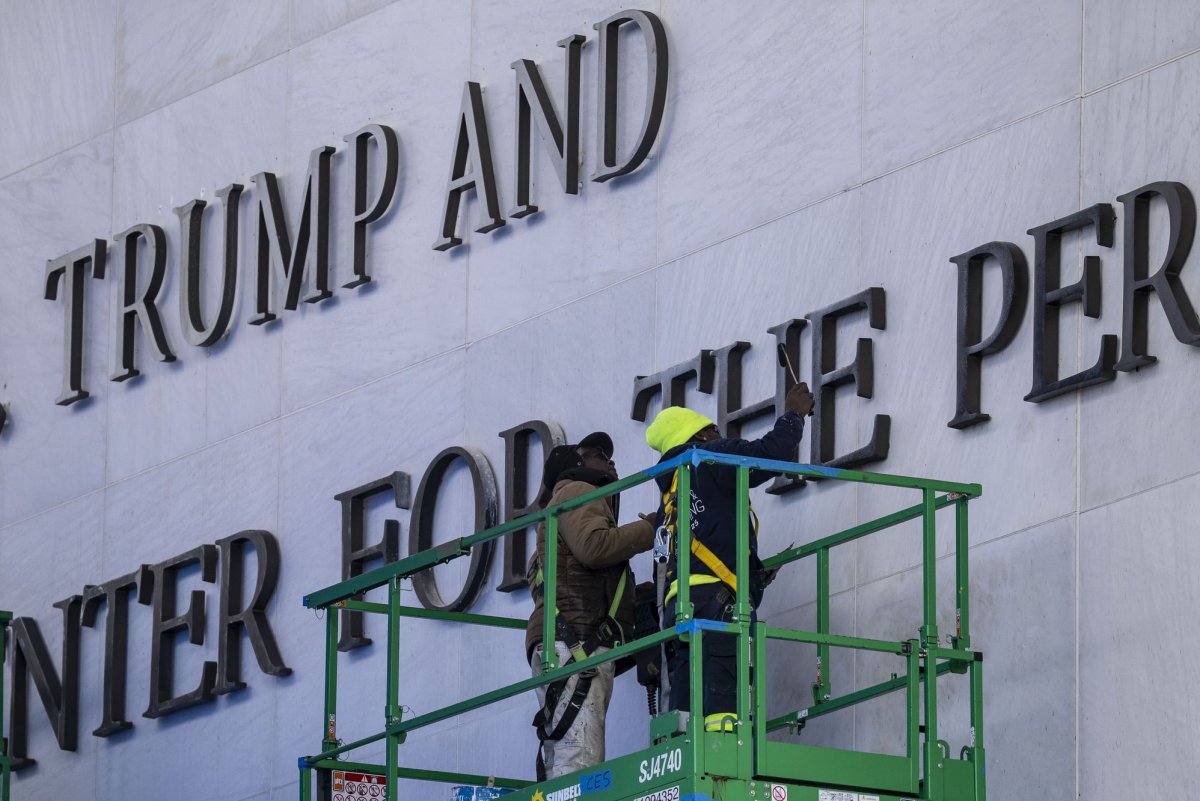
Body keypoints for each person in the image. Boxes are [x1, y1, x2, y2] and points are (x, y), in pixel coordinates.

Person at [645, 382, 814, 732]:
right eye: (715, 431)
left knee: (688, 711)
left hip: (679, 610)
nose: (720, 436)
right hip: (720, 606)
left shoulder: (670, 498)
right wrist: (794, 414)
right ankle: (725, 773)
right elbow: (772, 452)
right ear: (700, 434)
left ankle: (686, 765)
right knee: (725, 713)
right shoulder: (710, 457)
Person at [526, 431, 656, 779]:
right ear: (578, 464)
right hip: (577, 642)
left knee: (564, 749)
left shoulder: (555, 516)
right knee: (578, 757)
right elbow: (594, 547)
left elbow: (565, 572)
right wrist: (650, 528)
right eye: (599, 453)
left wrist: (630, 594)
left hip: (562, 641)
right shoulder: (577, 490)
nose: (610, 460)